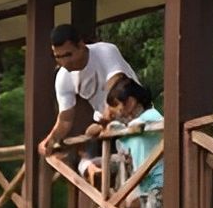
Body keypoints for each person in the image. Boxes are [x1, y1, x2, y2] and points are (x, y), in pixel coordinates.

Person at [37, 24, 139, 156]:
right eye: (58, 57)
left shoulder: (105, 51)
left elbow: (116, 83)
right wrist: (51, 139)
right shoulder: (63, 77)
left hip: (138, 117)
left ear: (81, 45)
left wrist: (102, 121)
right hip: (109, 128)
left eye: (68, 54)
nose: (64, 62)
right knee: (90, 161)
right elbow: (65, 119)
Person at [105, 79, 164, 208]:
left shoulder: (150, 115)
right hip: (145, 185)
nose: (116, 112)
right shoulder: (128, 131)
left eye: (117, 106)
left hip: (160, 182)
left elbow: (159, 123)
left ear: (130, 102)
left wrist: (123, 127)